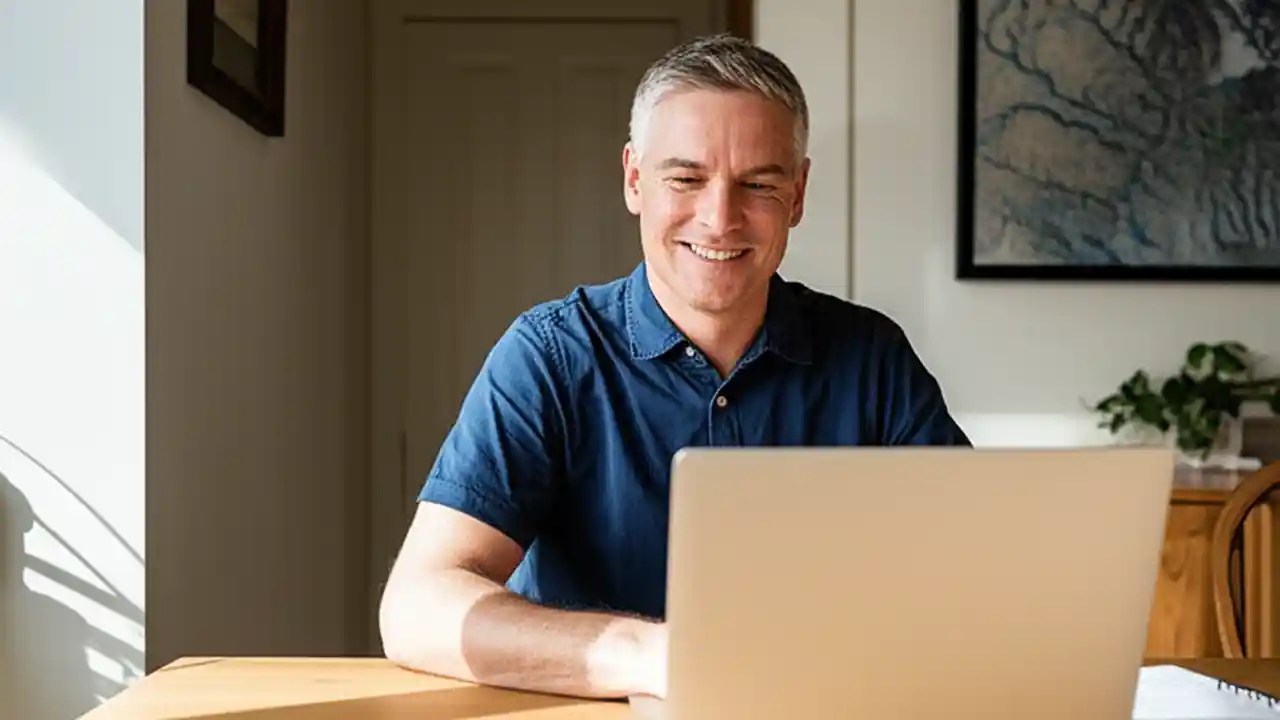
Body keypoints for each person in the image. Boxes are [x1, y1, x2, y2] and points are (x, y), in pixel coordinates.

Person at [379, 33, 970, 701]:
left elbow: (973, 576)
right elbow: (416, 610)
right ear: (635, 179)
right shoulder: (547, 356)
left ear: (798, 194)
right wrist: (653, 656)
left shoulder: (873, 360)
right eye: (686, 178)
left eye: (758, 184)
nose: (719, 218)